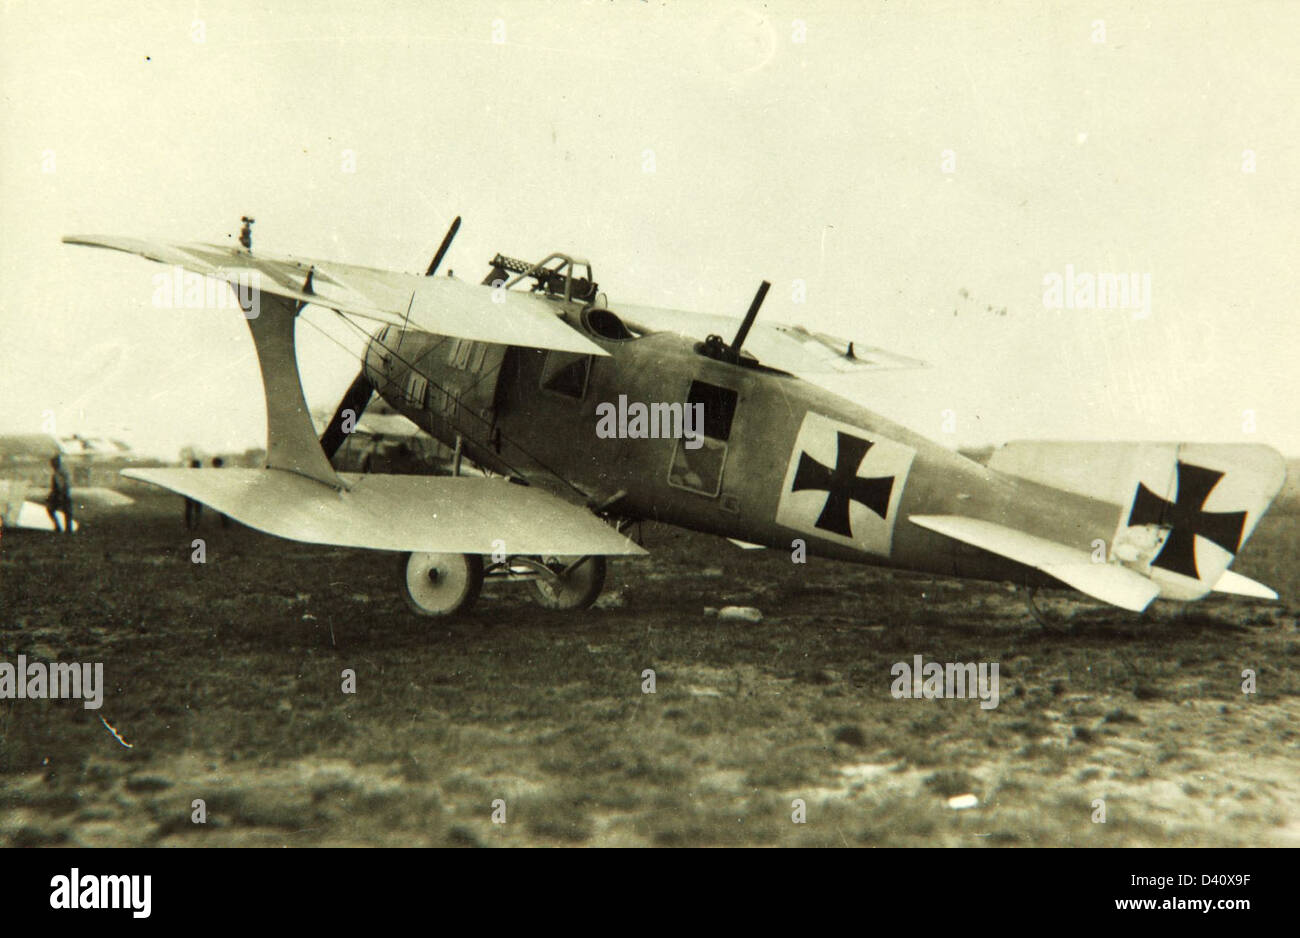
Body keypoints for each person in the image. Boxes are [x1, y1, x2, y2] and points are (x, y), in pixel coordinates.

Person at [45, 454, 73, 534]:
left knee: (52, 510)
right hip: (62, 494)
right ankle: (65, 528)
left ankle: (61, 528)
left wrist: (59, 494)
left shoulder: (59, 473)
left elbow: (61, 485)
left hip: (60, 494)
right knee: (66, 512)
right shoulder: (61, 472)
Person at [211, 457, 230, 527]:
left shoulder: (217, 472)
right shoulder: (222, 472)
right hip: (221, 493)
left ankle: (225, 523)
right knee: (223, 509)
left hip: (222, 493)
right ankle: (225, 523)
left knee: (223, 509)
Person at [184, 459, 203, 529]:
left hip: (192, 494)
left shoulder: (189, 474)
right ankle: (195, 524)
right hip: (195, 494)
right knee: (195, 510)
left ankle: (191, 525)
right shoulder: (200, 474)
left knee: (190, 509)